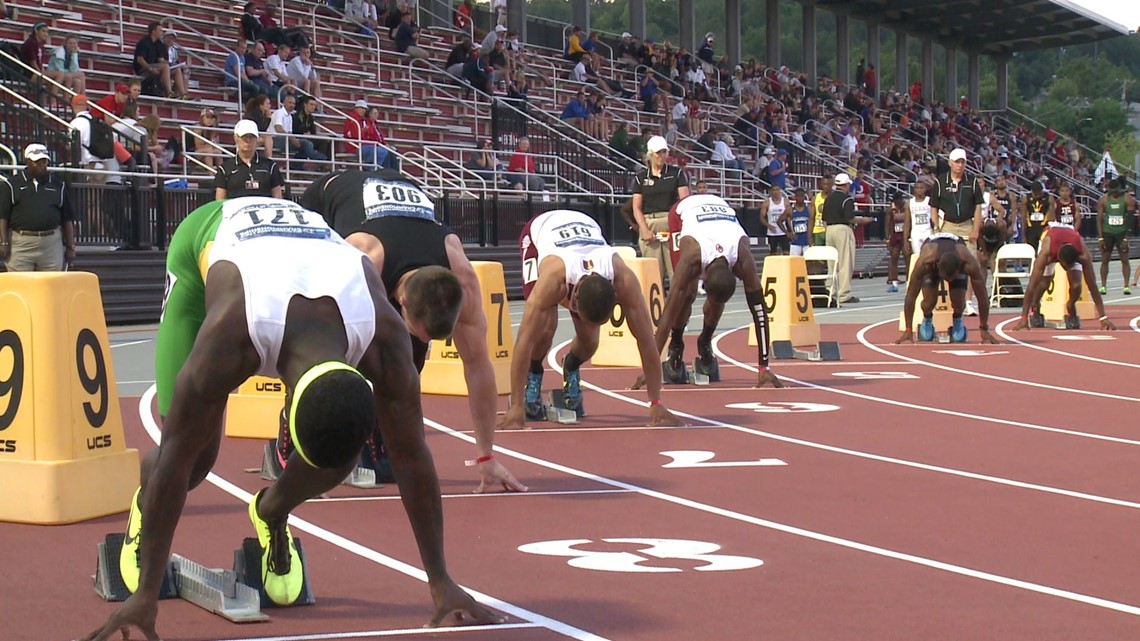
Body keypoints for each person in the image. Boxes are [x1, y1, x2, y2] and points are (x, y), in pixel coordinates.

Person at [80, 196, 501, 641]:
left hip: (302, 255)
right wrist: (145, 594)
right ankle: (144, 513)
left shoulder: (384, 337)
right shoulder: (232, 335)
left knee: (338, 445)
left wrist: (441, 581)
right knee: (193, 457)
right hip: (209, 238)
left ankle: (271, 511)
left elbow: (413, 454)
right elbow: (175, 458)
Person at [299, 169, 526, 493]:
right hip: (328, 199)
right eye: (423, 333)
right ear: (400, 299)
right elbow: (312, 340)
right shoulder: (359, 260)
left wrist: (485, 455)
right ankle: (289, 444)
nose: (429, 344)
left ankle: (377, 431)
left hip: (400, 198)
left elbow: (478, 367)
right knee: (347, 349)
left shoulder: (461, 276)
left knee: (409, 360)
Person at [497, 209, 683, 428]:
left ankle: (571, 366)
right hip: (540, 235)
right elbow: (523, 342)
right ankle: (535, 374)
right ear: (574, 295)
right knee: (544, 330)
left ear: (615, 296)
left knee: (590, 341)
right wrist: (516, 407)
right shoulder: (553, 279)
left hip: (584, 231)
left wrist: (656, 401)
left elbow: (646, 341)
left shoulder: (624, 279)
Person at [634, 193, 783, 389]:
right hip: (682, 214)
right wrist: (650, 368)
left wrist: (764, 367)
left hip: (719, 209)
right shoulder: (692, 256)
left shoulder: (742, 257)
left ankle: (705, 340)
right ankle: (677, 344)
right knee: (685, 294)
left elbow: (760, 310)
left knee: (716, 298)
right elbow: (668, 312)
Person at [893, 232, 998, 344]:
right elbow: (911, 295)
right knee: (929, 302)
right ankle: (927, 318)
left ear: (959, 269)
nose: (949, 281)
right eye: (947, 278)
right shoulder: (925, 262)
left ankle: (957, 319)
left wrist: (984, 328)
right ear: (938, 268)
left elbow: (982, 297)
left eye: (952, 278)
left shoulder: (969, 263)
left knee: (959, 303)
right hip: (932, 249)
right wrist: (908, 329)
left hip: (956, 246)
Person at [1011, 223, 1116, 331]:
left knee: (1076, 285)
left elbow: (1093, 286)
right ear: (1058, 259)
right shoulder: (1046, 254)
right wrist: (1023, 317)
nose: (1067, 270)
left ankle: (1071, 305)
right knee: (1044, 283)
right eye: (1065, 267)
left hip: (1071, 239)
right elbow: (1031, 286)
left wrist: (1103, 318)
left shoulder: (1083, 255)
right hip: (1051, 236)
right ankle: (1036, 304)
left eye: (1070, 267)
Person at [0, 144, 77, 272]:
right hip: (21, 242)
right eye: (37, 161)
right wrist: (3, 242)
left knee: (51, 285)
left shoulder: (58, 184)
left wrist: (70, 246)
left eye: (44, 161)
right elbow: (3, 216)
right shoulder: (11, 184)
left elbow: (67, 218)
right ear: (28, 161)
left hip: (51, 243)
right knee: (21, 285)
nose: (41, 165)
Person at [632, 135, 689, 286]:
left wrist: (680, 227)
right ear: (650, 154)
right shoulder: (640, 177)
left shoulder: (676, 173)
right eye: (658, 152)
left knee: (676, 272)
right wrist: (643, 229)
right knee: (653, 275)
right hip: (649, 222)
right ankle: (655, 308)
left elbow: (684, 202)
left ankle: (678, 308)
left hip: (671, 222)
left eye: (664, 152)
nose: (662, 156)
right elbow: (636, 207)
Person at [822, 172, 873, 304]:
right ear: (845, 185)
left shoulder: (828, 198)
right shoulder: (847, 199)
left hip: (829, 229)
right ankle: (844, 294)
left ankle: (830, 291)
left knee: (831, 263)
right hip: (842, 229)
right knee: (845, 262)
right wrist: (864, 220)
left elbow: (824, 218)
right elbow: (849, 217)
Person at [214, 119, 284, 200]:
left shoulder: (270, 166)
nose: (248, 140)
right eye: (244, 137)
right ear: (236, 138)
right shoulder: (225, 168)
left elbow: (278, 198)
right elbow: (220, 201)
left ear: (257, 139)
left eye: (252, 137)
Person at [1096, 178, 1134, 295]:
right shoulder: (1103, 200)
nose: (1113, 194)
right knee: (1105, 259)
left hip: (1121, 232)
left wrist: (1127, 237)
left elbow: (1131, 219)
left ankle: (1126, 285)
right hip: (1108, 232)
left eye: (1115, 192)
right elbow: (1099, 219)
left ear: (1119, 189)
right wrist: (1100, 237)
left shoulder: (1127, 199)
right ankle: (1103, 286)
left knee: (1124, 259)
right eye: (1111, 192)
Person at [903, 181, 934, 257]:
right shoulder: (909, 203)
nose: (919, 190)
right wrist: (905, 240)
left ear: (925, 189)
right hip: (915, 233)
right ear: (914, 189)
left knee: (929, 256)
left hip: (928, 232)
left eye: (921, 188)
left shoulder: (930, 201)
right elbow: (907, 222)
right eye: (917, 188)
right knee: (917, 256)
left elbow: (934, 218)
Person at [780, 187, 812, 257]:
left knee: (808, 262)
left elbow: (811, 223)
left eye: (802, 196)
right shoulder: (790, 210)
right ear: (795, 197)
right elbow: (779, 221)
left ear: (804, 196)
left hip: (807, 241)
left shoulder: (809, 209)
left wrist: (810, 238)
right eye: (798, 196)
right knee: (794, 263)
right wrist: (787, 233)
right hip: (795, 241)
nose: (800, 198)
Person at [885, 194, 907, 292]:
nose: (898, 204)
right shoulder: (891, 209)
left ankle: (909, 281)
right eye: (896, 203)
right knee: (894, 257)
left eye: (900, 202)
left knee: (908, 258)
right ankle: (894, 283)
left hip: (905, 234)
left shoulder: (907, 207)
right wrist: (887, 239)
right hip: (895, 235)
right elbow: (887, 224)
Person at [1021, 180, 1052, 249]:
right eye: (1035, 193)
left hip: (1044, 228)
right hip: (1031, 228)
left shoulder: (1049, 198)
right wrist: (1023, 235)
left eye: (1039, 193)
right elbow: (1023, 217)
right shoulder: (1026, 198)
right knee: (1032, 250)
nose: (1038, 195)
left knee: (1044, 249)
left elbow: (1052, 216)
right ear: (1032, 191)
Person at [759, 184, 788, 256]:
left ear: (780, 191)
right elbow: (761, 217)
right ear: (770, 192)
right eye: (774, 190)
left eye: (777, 190)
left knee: (786, 252)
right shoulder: (767, 202)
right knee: (773, 253)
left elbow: (789, 216)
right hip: (772, 233)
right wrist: (769, 226)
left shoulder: (785, 202)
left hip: (783, 232)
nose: (776, 192)